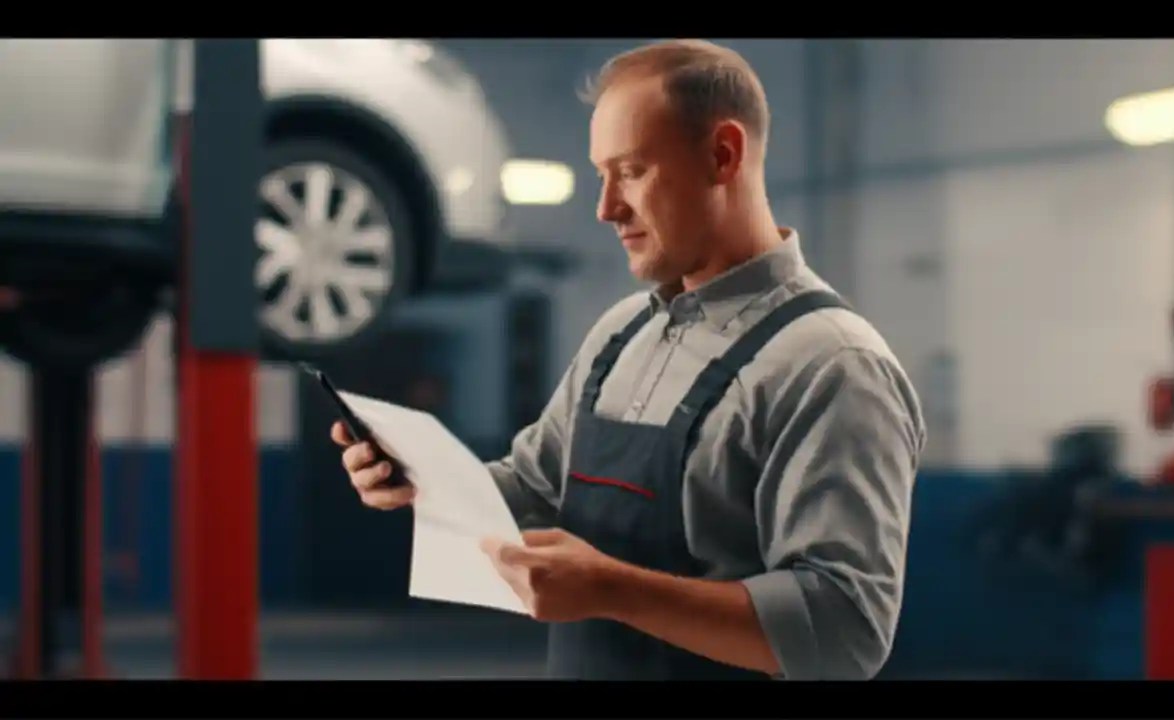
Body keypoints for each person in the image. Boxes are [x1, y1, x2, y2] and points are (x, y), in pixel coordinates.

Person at [332, 38, 926, 681]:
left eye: (632, 171)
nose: (606, 207)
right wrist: (421, 477)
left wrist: (613, 590)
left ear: (723, 155)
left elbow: (844, 632)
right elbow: (534, 490)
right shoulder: (622, 334)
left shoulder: (830, 366)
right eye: (601, 174)